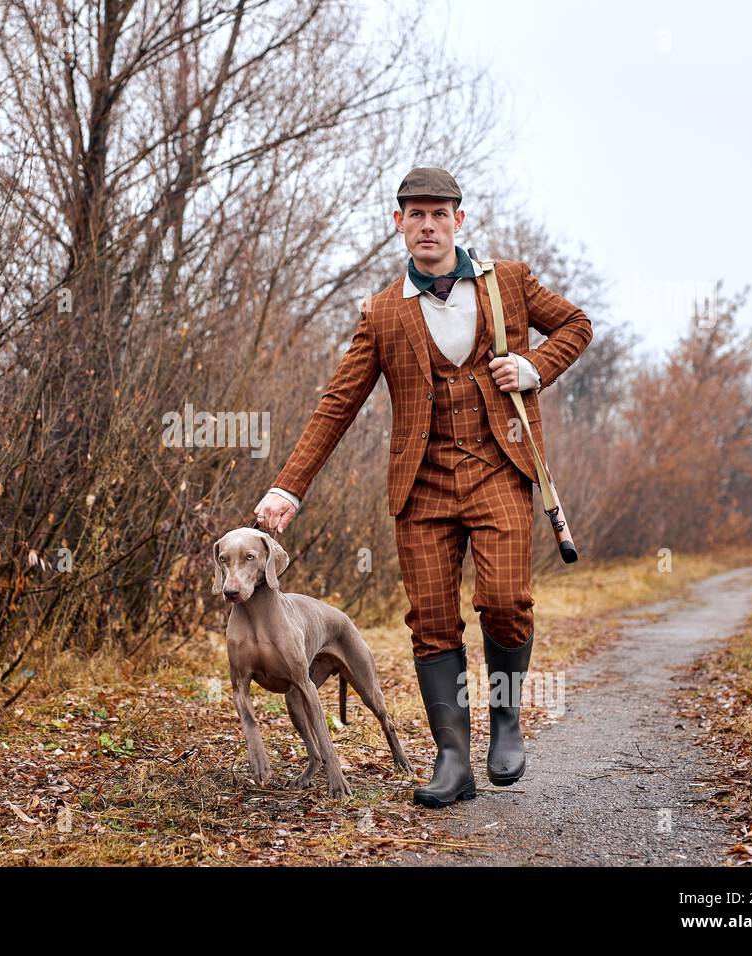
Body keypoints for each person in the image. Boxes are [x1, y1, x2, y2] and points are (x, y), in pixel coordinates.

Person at [254, 166, 592, 807]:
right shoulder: (382, 313)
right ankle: (453, 760)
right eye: (416, 214)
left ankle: (507, 721)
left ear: (459, 220)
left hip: (500, 467)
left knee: (505, 601)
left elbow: (576, 325)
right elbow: (336, 405)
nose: (428, 224)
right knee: (431, 622)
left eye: (440, 213)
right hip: (422, 486)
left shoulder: (510, 283)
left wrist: (533, 366)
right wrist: (287, 490)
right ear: (399, 224)